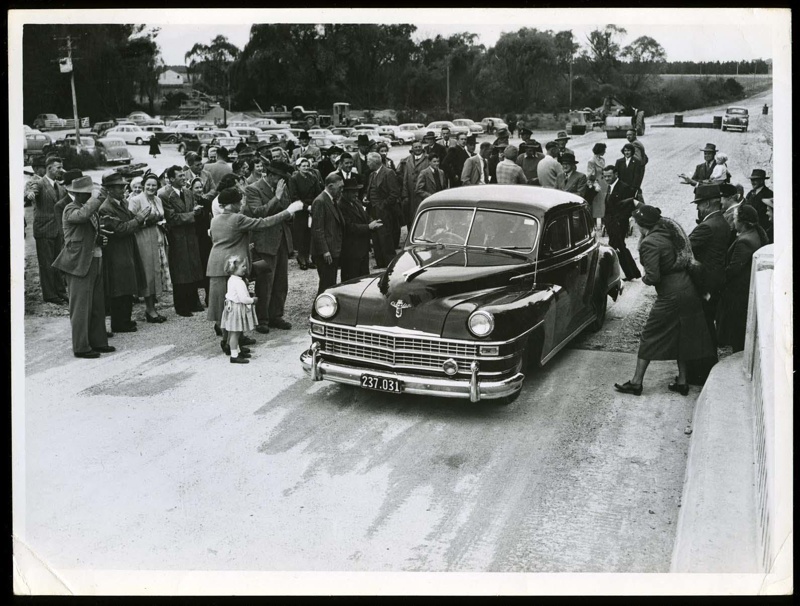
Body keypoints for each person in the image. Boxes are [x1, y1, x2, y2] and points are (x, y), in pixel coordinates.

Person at [614, 205, 716, 396]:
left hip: (671, 294)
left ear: (640, 224)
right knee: (682, 333)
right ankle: (683, 381)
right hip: (688, 289)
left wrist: (642, 278)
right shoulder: (669, 232)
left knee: (649, 334)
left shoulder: (649, 242)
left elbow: (653, 277)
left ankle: (636, 382)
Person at [207, 188, 303, 353]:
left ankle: (235, 338)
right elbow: (263, 223)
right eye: (240, 202)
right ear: (234, 203)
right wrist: (288, 211)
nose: (242, 205)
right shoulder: (237, 219)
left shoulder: (215, 220)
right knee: (234, 305)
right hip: (232, 266)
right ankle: (229, 343)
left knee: (228, 304)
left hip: (216, 265)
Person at [52, 176, 115, 358]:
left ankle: (98, 342)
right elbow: (82, 217)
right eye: (87, 192)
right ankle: (81, 347)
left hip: (92, 259)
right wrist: (99, 198)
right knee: (80, 308)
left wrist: (99, 238)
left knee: (97, 305)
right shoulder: (70, 209)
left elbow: (88, 230)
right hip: (78, 263)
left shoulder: (87, 207)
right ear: (77, 193)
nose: (90, 194)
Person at [686, 183, 733, 384]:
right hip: (715, 282)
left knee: (700, 328)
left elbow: (685, 247)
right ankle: (706, 368)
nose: (698, 208)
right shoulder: (722, 222)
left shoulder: (706, 226)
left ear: (706, 204)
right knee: (707, 327)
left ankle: (699, 374)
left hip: (704, 284)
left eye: (699, 204)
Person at [243, 160, 296, 333]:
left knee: (281, 281)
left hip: (282, 240)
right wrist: (277, 197)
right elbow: (259, 214)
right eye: (280, 178)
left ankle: (276, 315)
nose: (283, 182)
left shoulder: (282, 188)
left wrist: (290, 214)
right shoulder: (253, 189)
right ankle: (262, 318)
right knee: (265, 282)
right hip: (264, 242)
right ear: (271, 175)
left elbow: (287, 210)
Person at [715, 205, 770, 353]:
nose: (733, 221)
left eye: (735, 218)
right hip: (743, 291)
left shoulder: (744, 241)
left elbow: (733, 269)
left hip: (738, 294)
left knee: (736, 333)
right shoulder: (754, 234)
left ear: (743, 222)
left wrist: (717, 277)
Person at [98, 171, 148, 333]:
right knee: (119, 287)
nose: (123, 190)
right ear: (110, 189)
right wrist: (139, 219)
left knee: (126, 285)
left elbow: (129, 222)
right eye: (119, 187)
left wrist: (138, 219)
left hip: (126, 249)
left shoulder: (122, 203)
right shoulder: (106, 208)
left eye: (123, 187)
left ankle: (125, 320)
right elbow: (120, 229)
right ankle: (119, 323)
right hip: (116, 252)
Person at [159, 166, 205, 317]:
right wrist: (193, 214)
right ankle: (181, 306)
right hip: (177, 237)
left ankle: (193, 301)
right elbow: (172, 218)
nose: (184, 178)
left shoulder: (188, 192)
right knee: (180, 271)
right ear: (171, 179)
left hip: (190, 235)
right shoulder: (165, 194)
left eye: (184, 175)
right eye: (180, 176)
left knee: (192, 267)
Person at [128, 173, 171, 323]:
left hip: (158, 237)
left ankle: (153, 306)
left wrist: (161, 221)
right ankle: (149, 310)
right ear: (143, 185)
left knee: (156, 272)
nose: (151, 188)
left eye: (154, 185)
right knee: (148, 274)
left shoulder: (158, 199)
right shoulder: (135, 200)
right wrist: (147, 222)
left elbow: (160, 216)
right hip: (144, 239)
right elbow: (131, 223)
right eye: (148, 185)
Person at [33, 155, 69, 304]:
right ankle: (50, 295)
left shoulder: (60, 187)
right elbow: (32, 190)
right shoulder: (39, 184)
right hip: (43, 230)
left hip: (57, 231)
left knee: (58, 262)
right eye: (58, 167)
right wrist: (30, 194)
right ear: (49, 168)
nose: (61, 170)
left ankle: (61, 292)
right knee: (46, 264)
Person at [601, 165, 641, 280]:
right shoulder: (610, 187)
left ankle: (608, 274)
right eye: (605, 176)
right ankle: (632, 273)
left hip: (618, 224)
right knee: (619, 247)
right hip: (611, 223)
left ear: (616, 174)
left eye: (609, 176)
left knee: (616, 248)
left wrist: (618, 221)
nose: (607, 179)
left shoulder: (624, 187)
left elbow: (628, 207)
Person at [339, 179, 382, 282]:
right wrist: (368, 227)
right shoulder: (341, 206)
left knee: (364, 278)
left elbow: (366, 216)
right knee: (352, 279)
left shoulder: (356, 202)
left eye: (357, 191)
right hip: (351, 250)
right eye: (353, 192)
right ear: (345, 192)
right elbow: (349, 227)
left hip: (362, 247)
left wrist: (373, 222)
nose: (356, 194)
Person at [310, 173, 346, 294]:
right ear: (330, 186)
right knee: (326, 285)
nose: (342, 190)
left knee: (330, 283)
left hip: (333, 249)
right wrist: (325, 251)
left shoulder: (332, 200)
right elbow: (317, 229)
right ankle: (319, 311)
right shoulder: (320, 201)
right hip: (326, 252)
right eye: (339, 187)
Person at [219, 255, 258, 364]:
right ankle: (234, 355)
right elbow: (243, 298)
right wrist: (252, 300)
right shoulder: (239, 282)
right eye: (243, 266)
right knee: (235, 333)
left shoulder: (232, 279)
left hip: (231, 307)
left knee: (234, 332)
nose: (245, 268)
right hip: (236, 309)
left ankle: (238, 351)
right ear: (234, 269)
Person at [364, 152, 400, 268]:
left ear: (375, 161)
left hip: (384, 211)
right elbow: (370, 191)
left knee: (386, 237)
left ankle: (389, 263)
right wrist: (366, 198)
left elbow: (394, 194)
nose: (367, 163)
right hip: (373, 209)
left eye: (368, 161)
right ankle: (380, 262)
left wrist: (382, 205)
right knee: (376, 236)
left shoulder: (388, 173)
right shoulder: (372, 175)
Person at [288, 157, 324, 270]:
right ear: (298, 167)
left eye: (307, 165)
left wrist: (314, 205)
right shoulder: (294, 179)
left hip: (312, 208)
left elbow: (318, 192)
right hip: (300, 209)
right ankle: (301, 257)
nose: (306, 168)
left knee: (309, 234)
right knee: (301, 235)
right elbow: (294, 196)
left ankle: (308, 258)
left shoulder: (313, 177)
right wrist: (305, 207)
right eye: (303, 166)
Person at [397, 140, 430, 231]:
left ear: (422, 148)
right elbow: (404, 179)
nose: (418, 149)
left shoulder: (428, 159)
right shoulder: (406, 160)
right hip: (411, 194)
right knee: (411, 216)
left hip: (423, 192)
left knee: (423, 214)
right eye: (415, 147)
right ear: (412, 149)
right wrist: (405, 194)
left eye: (419, 147)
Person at [743, 168, 774, 243]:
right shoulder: (750, 194)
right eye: (751, 180)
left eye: (755, 180)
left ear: (762, 180)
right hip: (750, 230)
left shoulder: (768, 194)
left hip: (763, 230)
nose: (752, 182)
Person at [586, 142, 608, 231]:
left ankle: (603, 223)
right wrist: (595, 184)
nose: (605, 152)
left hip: (604, 184)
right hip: (597, 184)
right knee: (595, 204)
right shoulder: (591, 161)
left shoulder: (602, 160)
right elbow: (590, 175)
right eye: (604, 150)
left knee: (604, 203)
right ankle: (594, 224)